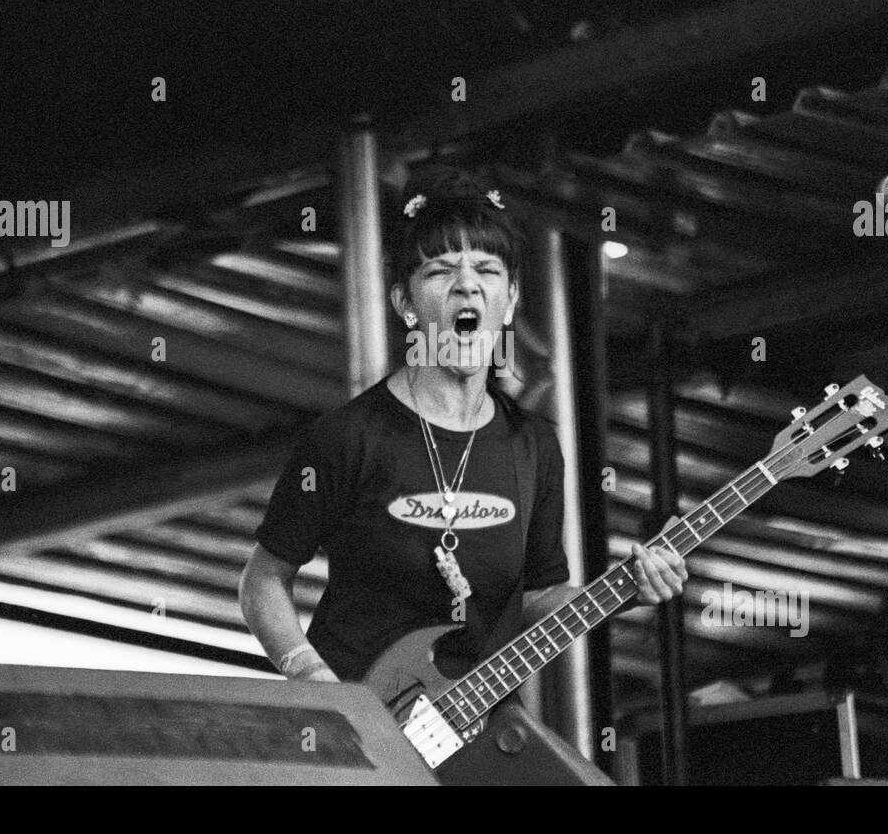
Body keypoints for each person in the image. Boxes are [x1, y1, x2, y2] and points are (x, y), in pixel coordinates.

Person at [239, 165, 688, 690]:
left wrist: (625, 590)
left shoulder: (534, 446)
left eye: (487, 270)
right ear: (404, 303)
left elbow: (541, 598)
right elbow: (262, 580)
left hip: (478, 722)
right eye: (440, 271)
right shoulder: (346, 438)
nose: (466, 286)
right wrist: (317, 680)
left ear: (512, 299)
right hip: (367, 733)